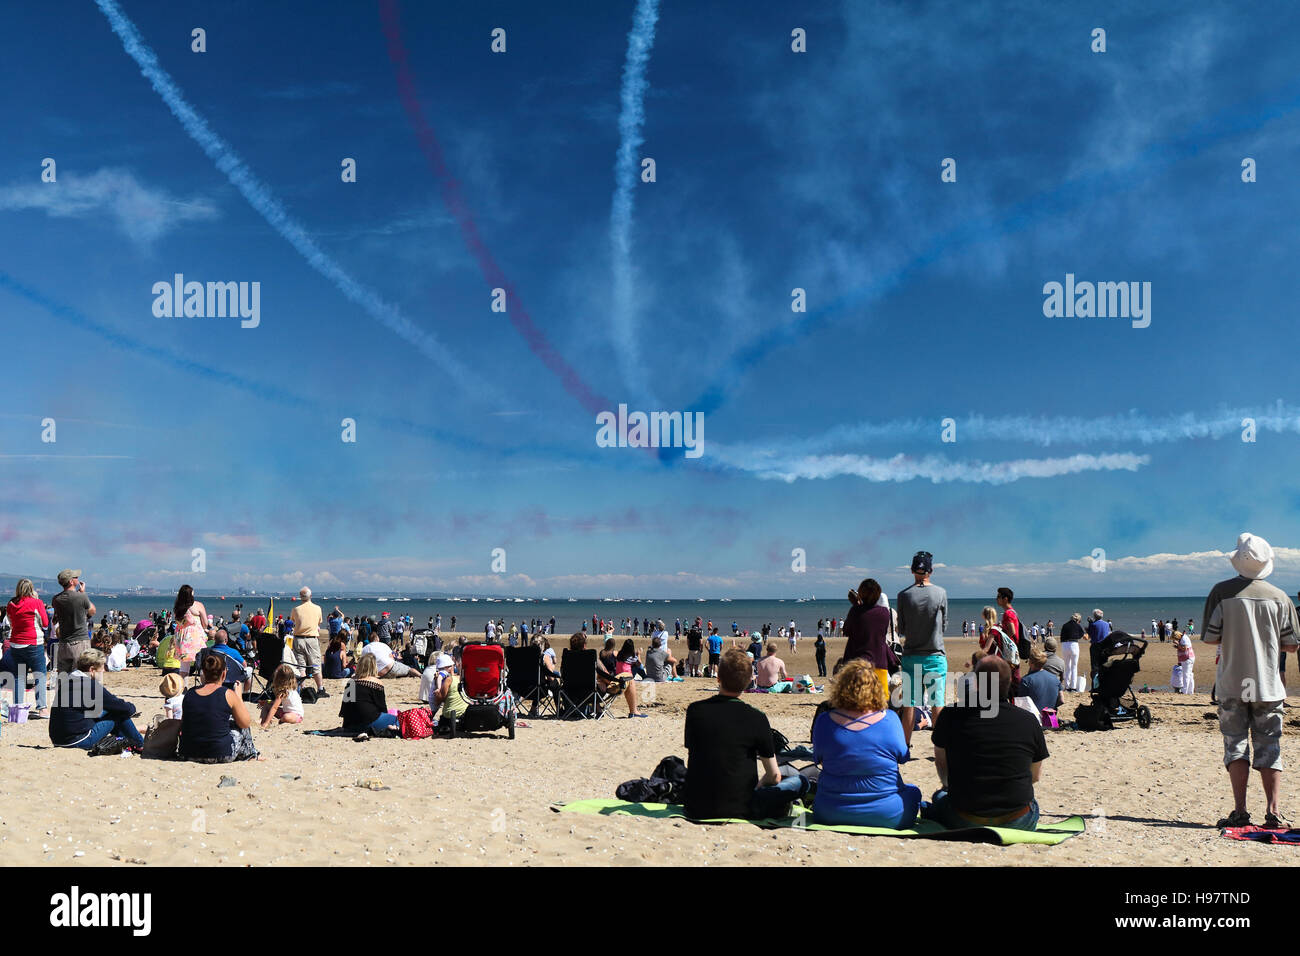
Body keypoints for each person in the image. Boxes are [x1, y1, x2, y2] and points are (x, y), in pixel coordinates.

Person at [1202, 533, 1298, 829]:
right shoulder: (1280, 597)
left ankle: (1240, 811)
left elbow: (1210, 638)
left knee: (1236, 744)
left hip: (1232, 681)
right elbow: (1292, 644)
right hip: (1267, 683)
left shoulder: (1221, 592)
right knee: (1270, 745)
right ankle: (1273, 812)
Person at [683, 648, 809, 820]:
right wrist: (760, 785)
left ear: (718, 678)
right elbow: (773, 775)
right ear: (749, 682)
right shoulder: (756, 717)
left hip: (695, 806)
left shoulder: (695, 710)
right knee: (800, 782)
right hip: (742, 807)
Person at [925, 656, 1049, 831]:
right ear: (1009, 683)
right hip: (1017, 818)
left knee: (939, 797)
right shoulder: (1028, 721)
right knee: (1031, 803)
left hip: (963, 816)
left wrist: (950, 787)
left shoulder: (950, 715)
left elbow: (942, 767)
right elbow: (1035, 777)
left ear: (976, 684)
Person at [811, 660, 921, 829]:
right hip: (888, 814)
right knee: (914, 792)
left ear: (840, 688)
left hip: (830, 811)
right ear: (876, 689)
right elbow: (903, 757)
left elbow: (818, 759)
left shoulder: (825, 721)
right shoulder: (890, 719)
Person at [895, 551, 948, 748]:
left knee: (909, 704)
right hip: (934, 654)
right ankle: (941, 746)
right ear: (930, 571)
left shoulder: (903, 595)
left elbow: (901, 629)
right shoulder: (940, 593)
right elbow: (943, 625)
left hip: (911, 656)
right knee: (937, 703)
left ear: (912, 570)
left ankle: (904, 745)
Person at [49, 648, 144, 751]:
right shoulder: (90, 685)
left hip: (58, 740)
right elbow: (120, 706)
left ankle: (127, 740)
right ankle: (140, 744)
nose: (103, 670)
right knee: (116, 713)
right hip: (77, 740)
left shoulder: (68, 680)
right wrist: (133, 709)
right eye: (102, 668)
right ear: (92, 670)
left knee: (106, 711)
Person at [179, 652, 259, 762]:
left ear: (203, 673)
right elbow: (245, 723)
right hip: (219, 754)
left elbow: (185, 722)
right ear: (224, 674)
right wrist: (239, 697)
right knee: (239, 723)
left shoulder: (190, 694)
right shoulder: (228, 694)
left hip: (187, 753)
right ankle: (251, 755)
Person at [5, 578, 50, 718]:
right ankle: (42, 708)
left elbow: (11, 621)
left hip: (16, 643)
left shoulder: (11, 604)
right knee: (40, 675)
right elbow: (45, 623)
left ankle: (18, 710)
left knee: (19, 676)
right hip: (33, 642)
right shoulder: (37, 603)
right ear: (32, 589)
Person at [841, 578, 893, 691]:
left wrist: (856, 605)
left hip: (857, 664)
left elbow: (846, 630)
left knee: (856, 702)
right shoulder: (884, 613)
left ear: (860, 594)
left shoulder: (855, 611)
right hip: (879, 662)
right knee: (880, 703)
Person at [340, 655, 400, 740]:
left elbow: (346, 707)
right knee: (399, 719)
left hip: (353, 723)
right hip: (370, 719)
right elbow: (382, 707)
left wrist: (346, 726)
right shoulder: (376, 682)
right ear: (374, 666)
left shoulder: (351, 682)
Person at [51, 569, 95, 674]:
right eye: (75, 577)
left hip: (64, 643)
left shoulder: (56, 599)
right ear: (71, 581)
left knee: (64, 676)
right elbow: (92, 611)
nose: (78, 579)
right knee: (82, 675)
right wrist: (83, 593)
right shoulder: (80, 597)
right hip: (80, 641)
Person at [290, 587, 327, 698]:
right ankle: (320, 689)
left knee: (300, 666)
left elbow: (294, 621)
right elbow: (319, 621)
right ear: (310, 596)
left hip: (298, 639)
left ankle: (302, 689)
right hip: (311, 639)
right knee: (315, 664)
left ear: (300, 597)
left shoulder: (296, 609)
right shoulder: (317, 608)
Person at [1018, 645, 1061, 714]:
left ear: (1031, 662)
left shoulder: (1026, 680)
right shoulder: (1054, 678)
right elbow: (1061, 700)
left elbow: (1021, 704)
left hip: (1033, 718)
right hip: (1050, 718)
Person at [1058, 612, 1084, 692]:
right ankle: (1073, 686)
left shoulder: (1065, 625)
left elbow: (1061, 636)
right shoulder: (1077, 625)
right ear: (1078, 620)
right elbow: (1081, 634)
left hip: (1065, 645)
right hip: (1074, 645)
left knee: (1067, 666)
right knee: (1074, 666)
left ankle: (1067, 686)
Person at [1086, 608, 1112, 684]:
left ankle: (1095, 684)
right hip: (1105, 646)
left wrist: (1090, 624)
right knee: (1104, 665)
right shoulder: (1107, 624)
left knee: (1095, 666)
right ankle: (1104, 682)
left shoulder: (1093, 624)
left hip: (1095, 646)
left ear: (1094, 616)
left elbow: (1090, 634)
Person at [1174, 627, 1196, 694]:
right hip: (1189, 657)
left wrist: (1178, 645)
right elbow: (1184, 647)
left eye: (1175, 638)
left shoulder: (1183, 638)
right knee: (1189, 674)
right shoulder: (1184, 638)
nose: (1175, 640)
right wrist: (1178, 646)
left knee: (1186, 674)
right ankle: (1190, 691)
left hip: (1187, 658)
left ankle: (1184, 691)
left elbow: (1184, 648)